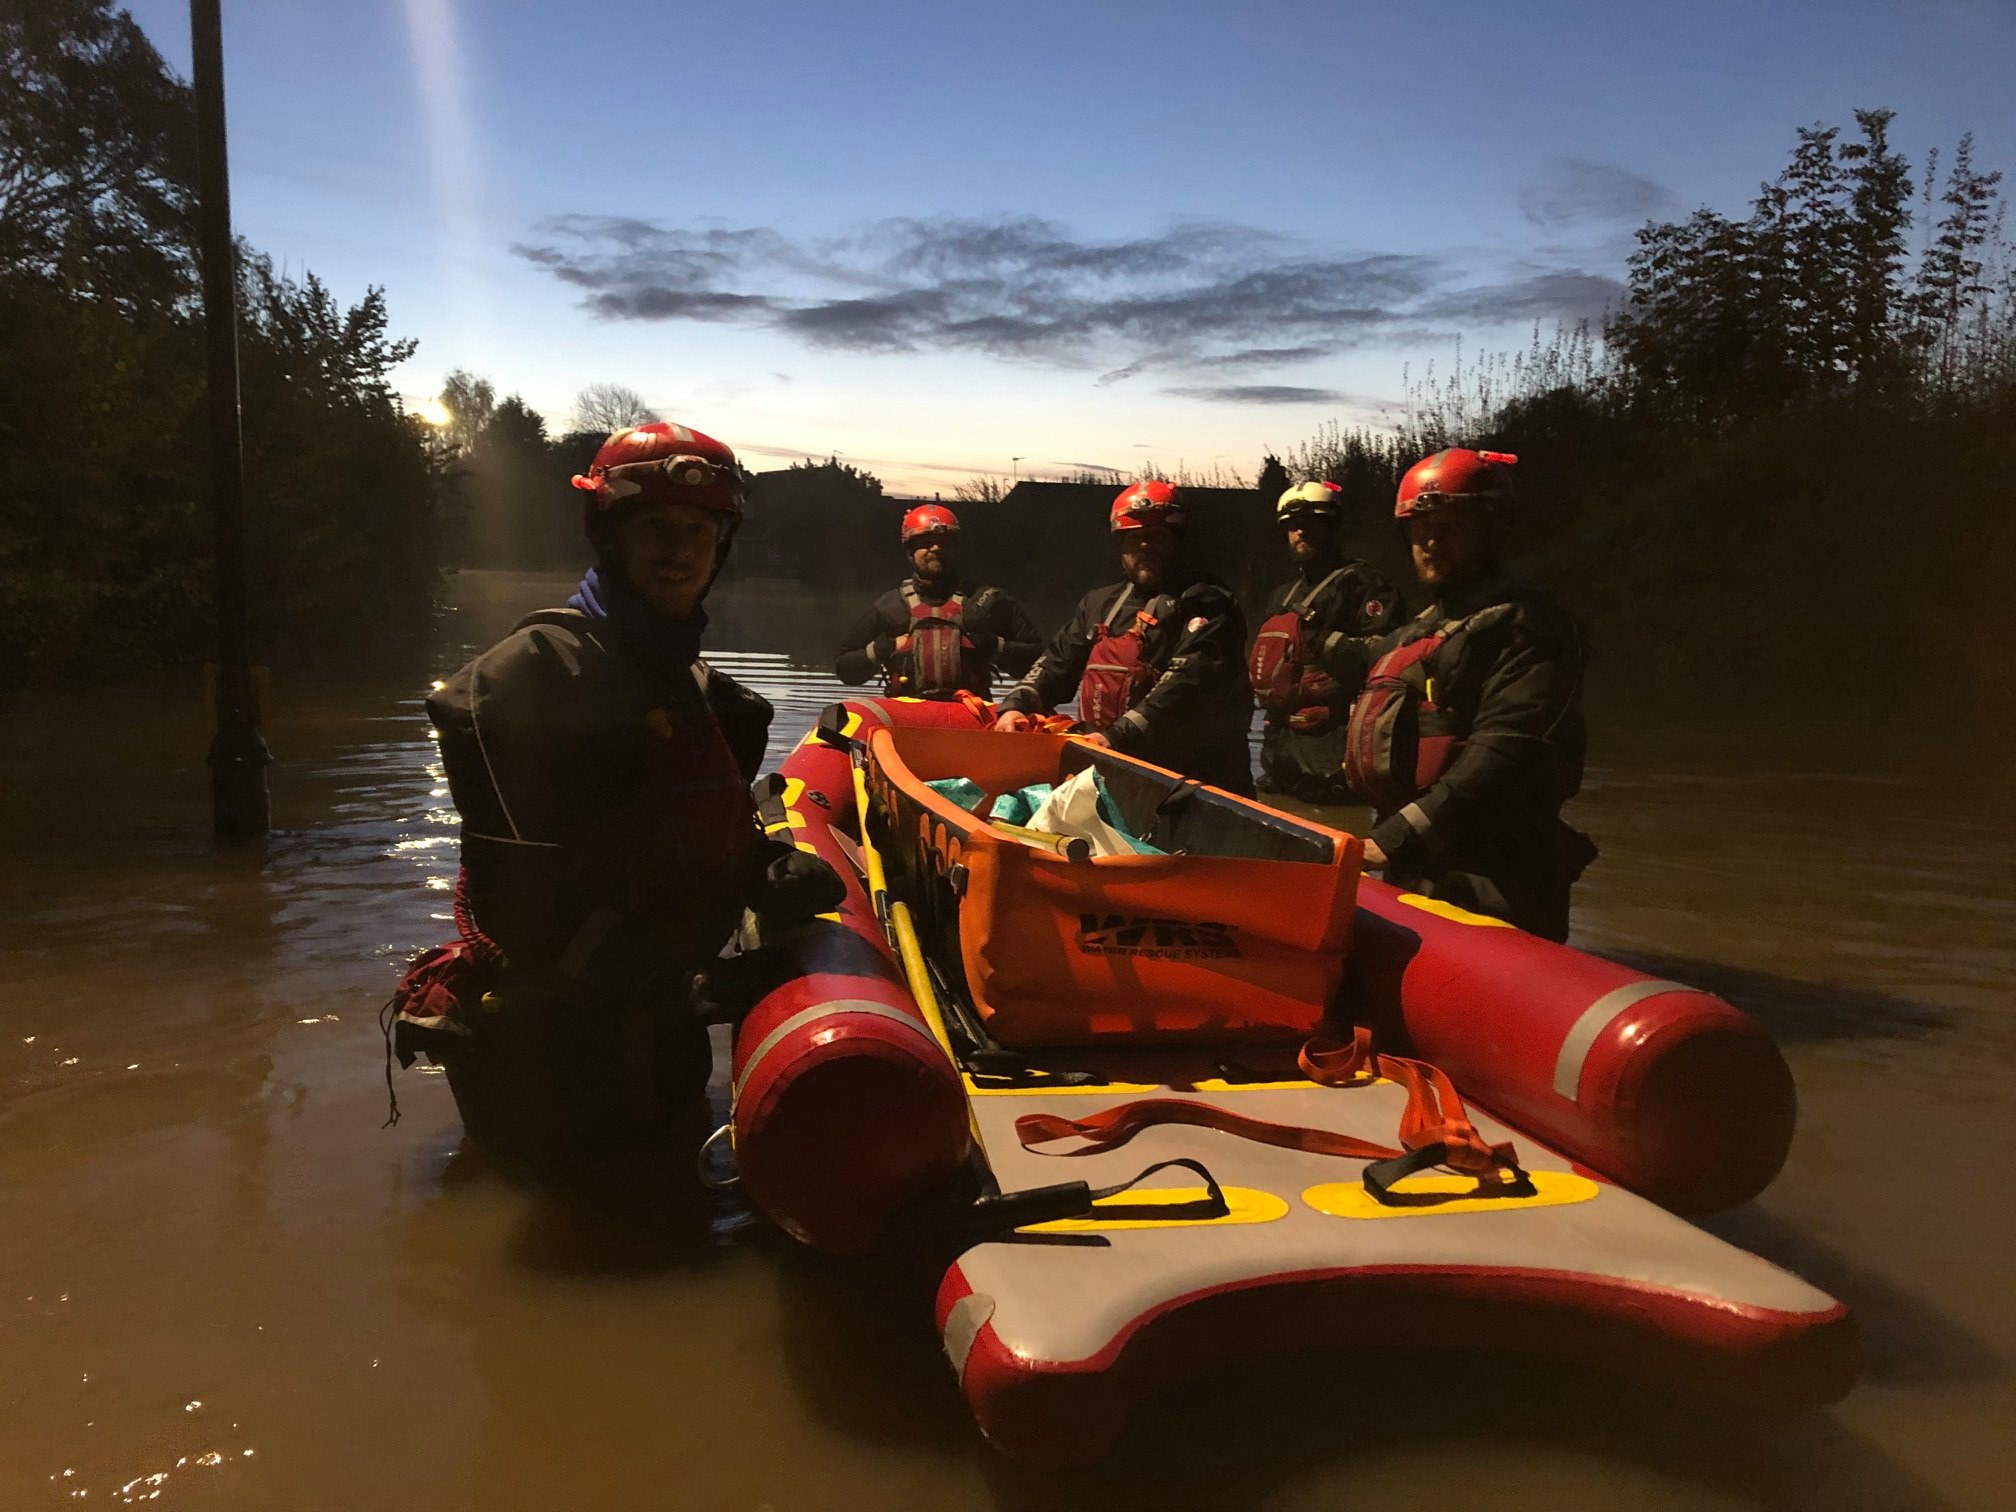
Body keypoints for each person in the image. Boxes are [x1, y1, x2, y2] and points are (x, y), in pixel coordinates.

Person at [392, 421, 840, 1163]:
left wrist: (763, 867)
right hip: (550, 1069)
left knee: (666, 1197)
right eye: (656, 527)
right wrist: (688, 984)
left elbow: (684, 841)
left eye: (699, 530)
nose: (679, 550)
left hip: (657, 1048)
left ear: (721, 547)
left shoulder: (707, 696)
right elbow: (520, 912)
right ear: (608, 533)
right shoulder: (525, 683)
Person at [1316, 448, 1593, 940]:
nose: (1432, 540)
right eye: (1420, 527)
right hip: (1417, 864)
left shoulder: (1529, 626)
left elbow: (1508, 748)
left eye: (1453, 525)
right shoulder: (1419, 631)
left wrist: (1395, 838)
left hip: (1498, 876)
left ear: (1492, 528)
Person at [992, 481, 1255, 795]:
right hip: (1117, 770)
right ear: (1121, 545)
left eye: (1156, 536)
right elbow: (1055, 664)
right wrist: (1015, 706)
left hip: (1196, 785)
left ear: (1178, 540)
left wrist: (1116, 737)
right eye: (1135, 537)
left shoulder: (1210, 603)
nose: (1145, 546)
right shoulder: (1099, 604)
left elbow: (1186, 682)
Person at [1249, 480, 1404, 800]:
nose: (1299, 532)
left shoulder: (1365, 585)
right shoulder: (1282, 594)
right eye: (1292, 526)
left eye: (1309, 524)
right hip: (1280, 762)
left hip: (1333, 763)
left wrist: (1322, 640)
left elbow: (1390, 659)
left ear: (1333, 527)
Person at [834, 503, 1043, 699]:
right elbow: (845, 668)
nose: (935, 548)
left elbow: (1039, 662)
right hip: (906, 716)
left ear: (956, 549)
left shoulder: (989, 601)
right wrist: (883, 648)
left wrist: (993, 645)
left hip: (971, 714)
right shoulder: (890, 606)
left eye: (944, 543)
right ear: (910, 551)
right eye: (925, 543)